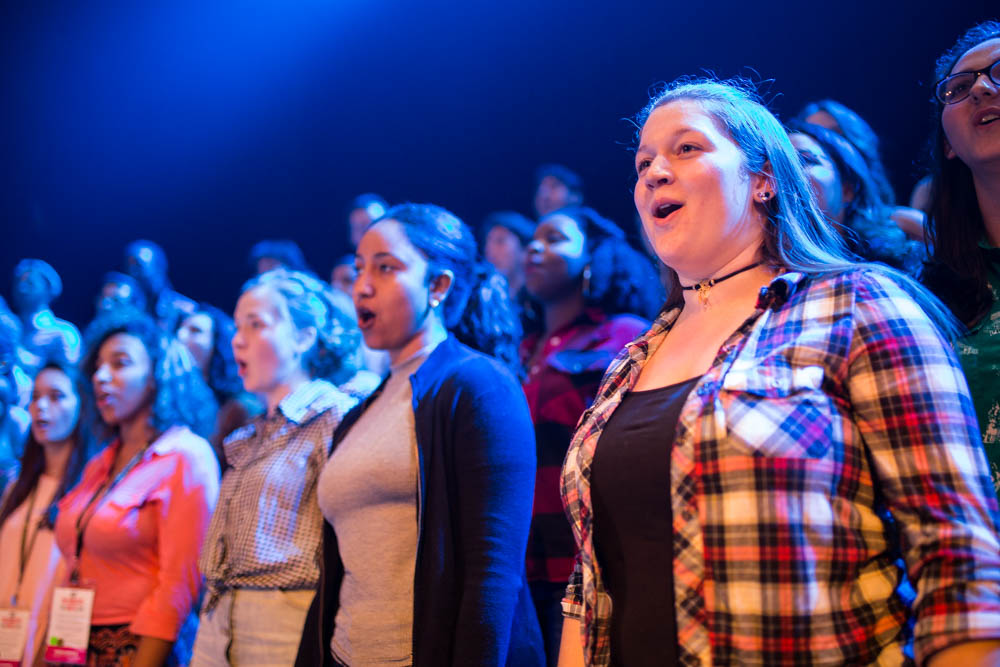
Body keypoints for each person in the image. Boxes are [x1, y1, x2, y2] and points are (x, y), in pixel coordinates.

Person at [558, 78, 1000, 666]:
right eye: (643, 163)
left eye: (686, 148)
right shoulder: (629, 364)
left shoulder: (858, 307)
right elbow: (587, 589)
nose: (654, 173)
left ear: (763, 179)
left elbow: (959, 560)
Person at [296, 203, 543, 666]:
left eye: (385, 268)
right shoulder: (360, 412)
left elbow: (492, 576)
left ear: (437, 286)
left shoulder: (479, 385)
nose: (362, 285)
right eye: (359, 268)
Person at [193, 269, 367, 666]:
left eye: (256, 324)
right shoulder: (252, 433)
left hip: (283, 622)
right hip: (218, 618)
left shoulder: (334, 416)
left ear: (304, 338)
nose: (238, 339)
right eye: (238, 326)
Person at [519, 205, 660, 664]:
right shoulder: (520, 347)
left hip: (585, 563)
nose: (534, 246)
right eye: (532, 238)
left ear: (593, 256)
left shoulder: (623, 335)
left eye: (555, 238)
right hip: (519, 565)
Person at [55, 308, 219, 666]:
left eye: (120, 363)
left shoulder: (185, 456)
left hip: (141, 649)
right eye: (98, 366)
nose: (100, 376)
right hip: (75, 644)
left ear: (155, 376)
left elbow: (179, 587)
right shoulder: (101, 462)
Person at [921, 21, 1000, 495]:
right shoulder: (928, 301)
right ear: (948, 145)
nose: (982, 89)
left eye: (999, 72)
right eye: (958, 87)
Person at [0, 362, 93, 667]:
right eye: (36, 397)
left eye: (56, 396)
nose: (41, 406)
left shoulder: (89, 491)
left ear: (81, 405)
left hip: (55, 643)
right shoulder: (17, 487)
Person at [785, 120, 924, 275]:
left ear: (847, 189)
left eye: (805, 160)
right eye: (776, 167)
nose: (787, 173)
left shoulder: (906, 256)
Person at [176, 305, 263, 465]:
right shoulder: (173, 398)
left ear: (217, 343)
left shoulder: (239, 407)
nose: (180, 336)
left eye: (195, 331)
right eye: (179, 329)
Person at [11, 259, 82, 375]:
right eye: (18, 283)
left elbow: (66, 375)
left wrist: (17, 354)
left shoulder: (64, 332)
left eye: (30, 283)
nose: (21, 289)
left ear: (47, 289)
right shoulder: (11, 329)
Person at [123, 240, 197, 332]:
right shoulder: (123, 310)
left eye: (139, 265)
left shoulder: (183, 310)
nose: (134, 272)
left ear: (158, 267)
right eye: (130, 266)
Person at [481, 211, 535, 299]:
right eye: (487, 244)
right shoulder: (484, 297)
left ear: (525, 249)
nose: (490, 251)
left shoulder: (539, 299)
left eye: (500, 241)